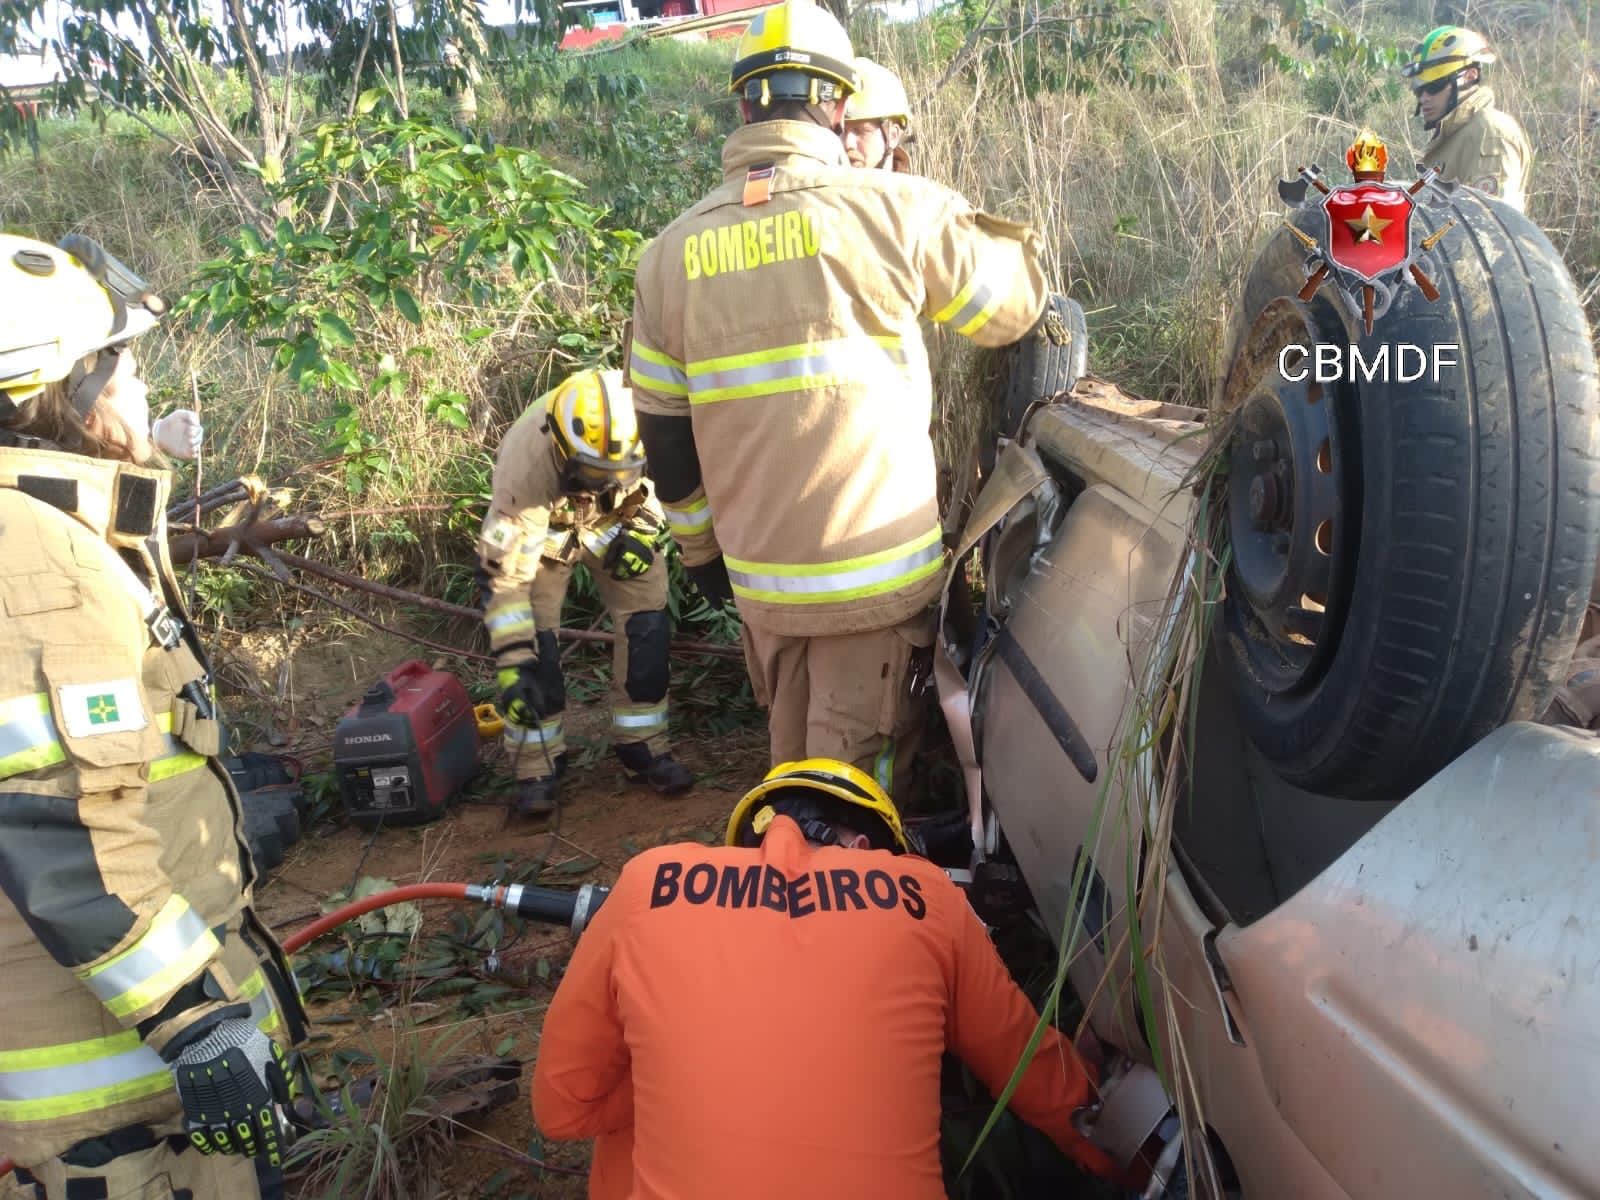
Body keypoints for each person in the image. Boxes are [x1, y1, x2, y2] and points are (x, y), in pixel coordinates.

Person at [627, 0, 1064, 801]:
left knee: (790, 764)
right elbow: (1016, 308)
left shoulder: (667, 259)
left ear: (741, 103)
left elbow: (665, 438)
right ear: (837, 103)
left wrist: (703, 561)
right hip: (874, 584)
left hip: (762, 588)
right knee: (853, 807)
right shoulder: (892, 211)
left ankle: (789, 897)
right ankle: (846, 914)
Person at [0, 233, 309, 1198]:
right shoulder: (32, 557)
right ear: (63, 391)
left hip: (117, 1043)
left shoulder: (44, 525)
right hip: (117, 1080)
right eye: (125, 363)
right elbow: (59, 828)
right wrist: (196, 1019)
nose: (141, 389)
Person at [530, 758, 1130, 1197]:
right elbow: (1030, 1072)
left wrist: (689, 1066)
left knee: (630, 1139)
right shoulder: (922, 894)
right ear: (867, 844)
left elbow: (562, 1110)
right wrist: (1119, 1151)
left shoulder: (648, 884)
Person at [478, 368, 695, 816]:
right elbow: (506, 578)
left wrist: (646, 529)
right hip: (546, 531)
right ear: (563, 450)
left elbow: (666, 482)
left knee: (648, 626)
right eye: (596, 473)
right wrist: (514, 664)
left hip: (618, 522)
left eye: (617, 472)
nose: (609, 481)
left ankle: (644, 746)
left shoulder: (644, 414)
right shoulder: (526, 467)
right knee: (534, 643)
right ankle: (537, 765)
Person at [1401, 24, 1533, 211]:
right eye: (1419, 89)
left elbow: (1493, 224)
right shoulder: (1453, 133)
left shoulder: (1490, 133)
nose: (1424, 98)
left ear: (1470, 76)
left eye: (1434, 86)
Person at [842, 56, 912, 172]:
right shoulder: (814, 186)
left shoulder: (915, 190)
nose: (847, 143)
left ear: (893, 136)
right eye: (841, 131)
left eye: (860, 131)